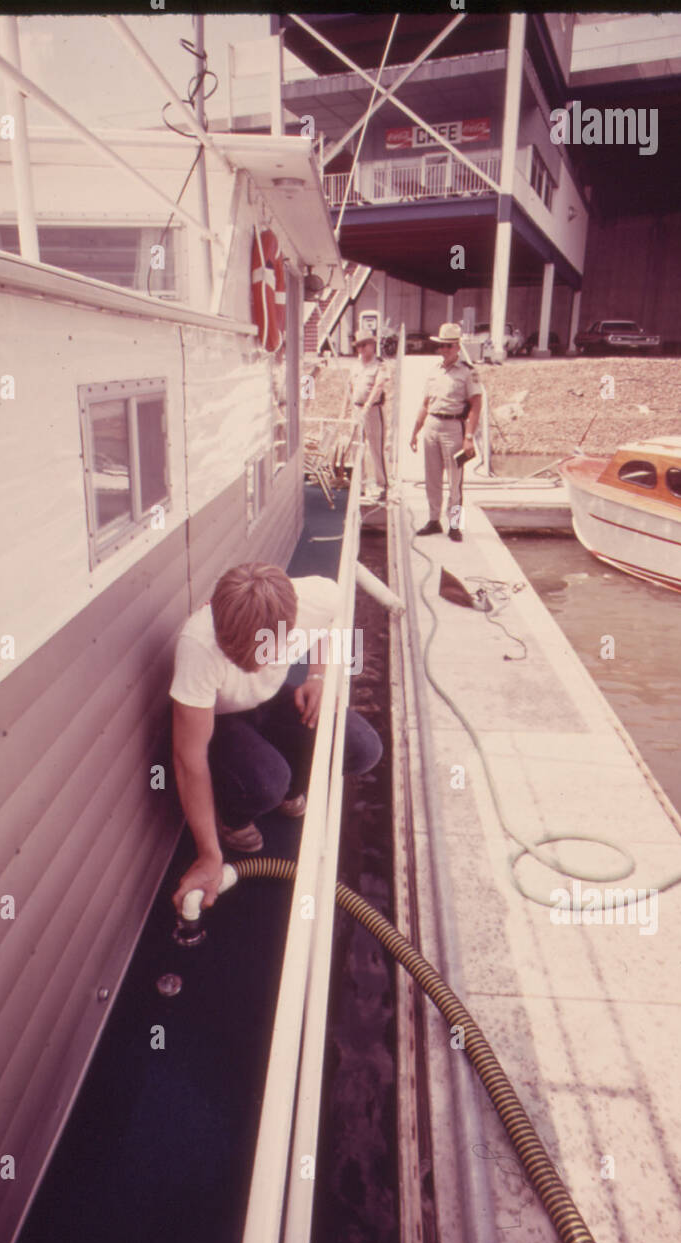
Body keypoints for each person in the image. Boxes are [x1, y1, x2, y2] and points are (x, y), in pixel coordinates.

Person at [170, 562, 382, 912]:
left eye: (258, 653)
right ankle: (233, 819)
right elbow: (188, 758)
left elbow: (336, 621)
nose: (244, 662)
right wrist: (209, 854)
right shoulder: (198, 643)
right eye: (233, 651)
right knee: (267, 782)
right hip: (221, 719)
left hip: (269, 699)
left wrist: (317, 676)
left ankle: (287, 787)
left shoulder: (318, 596)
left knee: (362, 748)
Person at [409, 323, 482, 541]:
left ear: (458, 346)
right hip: (432, 425)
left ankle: (455, 524)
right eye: (441, 346)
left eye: (449, 346)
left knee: (455, 481)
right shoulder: (434, 371)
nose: (444, 350)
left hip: (453, 428)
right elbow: (425, 403)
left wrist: (469, 437)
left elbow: (476, 405)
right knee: (432, 477)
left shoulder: (468, 372)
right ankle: (433, 520)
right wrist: (415, 431)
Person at [350, 328, 388, 498]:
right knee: (356, 448)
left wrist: (366, 406)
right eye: (358, 346)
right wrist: (347, 409)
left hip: (372, 410)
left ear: (373, 345)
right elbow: (350, 388)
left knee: (375, 448)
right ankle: (360, 484)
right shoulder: (355, 365)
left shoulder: (380, 365)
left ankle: (382, 485)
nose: (361, 349)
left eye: (364, 345)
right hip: (356, 409)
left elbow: (378, 387)